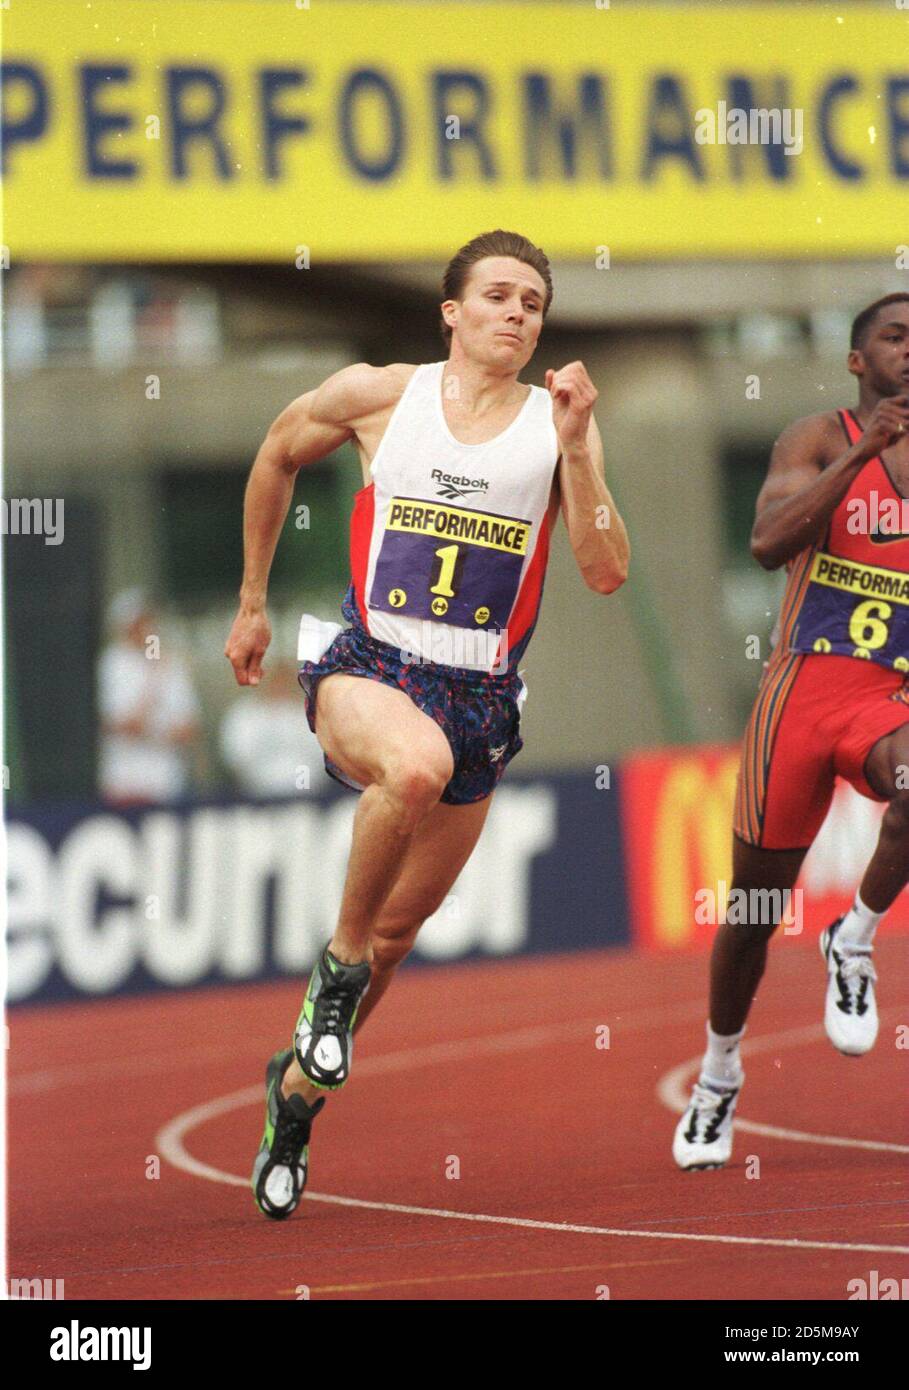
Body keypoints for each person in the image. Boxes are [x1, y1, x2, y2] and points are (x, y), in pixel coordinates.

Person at [225, 228, 630, 1219]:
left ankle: (295, 1101)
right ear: (452, 312)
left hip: (480, 698)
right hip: (368, 666)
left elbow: (606, 566)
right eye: (497, 295)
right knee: (408, 765)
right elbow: (277, 453)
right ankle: (336, 968)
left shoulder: (556, 424)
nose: (516, 314)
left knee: (404, 932)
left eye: (532, 303)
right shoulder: (380, 395)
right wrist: (251, 600)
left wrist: (578, 446)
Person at [674, 292, 909, 1170]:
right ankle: (718, 1074)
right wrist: (863, 451)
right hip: (802, 695)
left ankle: (853, 936)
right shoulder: (816, 437)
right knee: (753, 911)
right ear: (859, 361)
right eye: (894, 338)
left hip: (887, 698)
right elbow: (768, 542)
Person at [97, 588, 201, 806]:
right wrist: (153, 681)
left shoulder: (172, 664)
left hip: (167, 781)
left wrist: (153, 733)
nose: (146, 629)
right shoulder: (112, 664)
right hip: (126, 781)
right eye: (139, 623)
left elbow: (189, 728)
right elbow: (124, 725)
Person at [219, 658, 332, 797]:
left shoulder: (312, 711)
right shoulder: (244, 713)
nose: (279, 685)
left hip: (308, 795)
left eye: (284, 679)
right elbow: (236, 756)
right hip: (257, 795)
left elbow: (325, 753)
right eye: (275, 679)